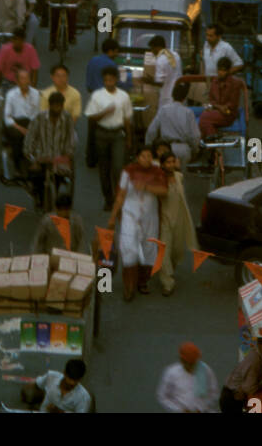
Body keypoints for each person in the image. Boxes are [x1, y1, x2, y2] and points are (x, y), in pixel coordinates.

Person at [108, 145, 169, 301]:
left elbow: (164, 191)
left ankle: (142, 282)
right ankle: (128, 287)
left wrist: (147, 187)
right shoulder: (128, 172)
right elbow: (121, 195)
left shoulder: (158, 172)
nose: (147, 159)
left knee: (149, 248)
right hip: (130, 215)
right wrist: (113, 217)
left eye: (149, 156)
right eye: (143, 156)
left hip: (150, 217)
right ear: (137, 157)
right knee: (129, 248)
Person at [85, 65, 134, 209]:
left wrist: (129, 139)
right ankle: (108, 198)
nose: (109, 83)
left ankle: (119, 196)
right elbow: (91, 117)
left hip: (118, 134)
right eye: (106, 80)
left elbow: (127, 119)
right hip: (102, 133)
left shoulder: (123, 96)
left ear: (116, 80)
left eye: (111, 80)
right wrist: (105, 112)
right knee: (104, 168)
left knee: (118, 167)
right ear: (103, 81)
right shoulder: (97, 95)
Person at [23, 91, 75, 210]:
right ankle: (38, 197)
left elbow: (70, 138)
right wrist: (31, 157)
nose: (58, 109)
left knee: (61, 177)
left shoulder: (67, 118)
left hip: (59, 156)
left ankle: (55, 198)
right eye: (55, 106)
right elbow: (30, 137)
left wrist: (68, 154)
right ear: (50, 105)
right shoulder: (39, 118)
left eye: (60, 106)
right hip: (41, 156)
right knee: (36, 177)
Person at [157, 150, 198, 297]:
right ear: (162, 164)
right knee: (164, 250)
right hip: (165, 219)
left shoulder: (178, 177)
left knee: (177, 250)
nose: (171, 165)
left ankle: (169, 271)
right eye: (167, 162)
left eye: (173, 161)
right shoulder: (159, 179)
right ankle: (167, 283)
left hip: (179, 218)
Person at [146, 80, 201, 169]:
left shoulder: (163, 110)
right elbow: (195, 136)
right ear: (185, 97)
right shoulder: (188, 112)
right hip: (184, 149)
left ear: (172, 95)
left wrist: (149, 147)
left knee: (165, 177)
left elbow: (151, 130)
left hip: (166, 149)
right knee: (180, 178)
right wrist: (194, 150)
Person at [157, 343, 219, 413]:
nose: (191, 366)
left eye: (194, 362)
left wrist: (201, 408)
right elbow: (163, 397)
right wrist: (180, 410)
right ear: (182, 360)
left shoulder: (205, 370)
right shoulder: (171, 372)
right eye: (189, 363)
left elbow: (214, 393)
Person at [2, 65, 40, 171]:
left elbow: (37, 114)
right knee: (17, 136)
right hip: (15, 124)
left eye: (27, 78)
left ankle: (36, 160)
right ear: (17, 82)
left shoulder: (36, 94)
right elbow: (7, 117)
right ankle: (17, 164)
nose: (25, 81)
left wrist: (32, 128)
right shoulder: (11, 95)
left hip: (31, 123)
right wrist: (20, 128)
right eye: (22, 78)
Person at [199, 56, 245, 139]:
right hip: (217, 110)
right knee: (204, 118)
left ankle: (212, 138)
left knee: (204, 118)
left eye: (223, 70)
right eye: (219, 70)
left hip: (228, 114)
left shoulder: (235, 84)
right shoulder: (215, 82)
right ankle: (211, 138)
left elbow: (233, 104)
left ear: (228, 71)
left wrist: (220, 108)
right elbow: (211, 99)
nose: (220, 72)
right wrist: (218, 107)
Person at [219, 346, 262, 414]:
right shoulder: (255, 359)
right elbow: (248, 387)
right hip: (233, 399)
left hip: (231, 395)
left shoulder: (254, 354)